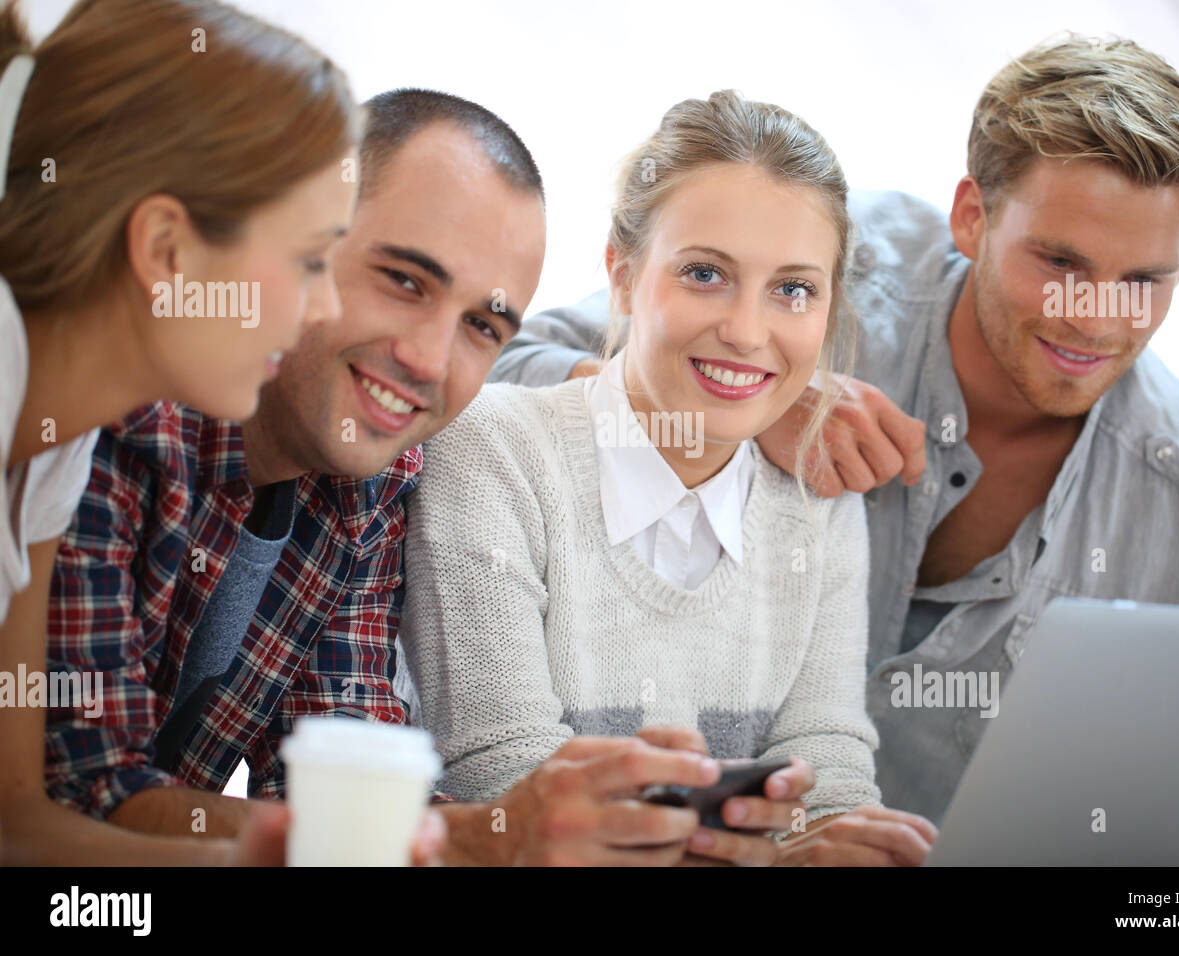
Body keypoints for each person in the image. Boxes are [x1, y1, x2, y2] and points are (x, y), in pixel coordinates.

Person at [486, 37, 1179, 834]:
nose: (1096, 316)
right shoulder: (809, 268)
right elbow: (503, 368)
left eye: (1144, 280)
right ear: (971, 217)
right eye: (1060, 261)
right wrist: (737, 404)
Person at [43, 87, 745, 868]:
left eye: (482, 326)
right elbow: (78, 793)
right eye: (406, 281)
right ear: (304, 245)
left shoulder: (373, 483)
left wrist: (620, 833)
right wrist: (484, 840)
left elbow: (344, 771)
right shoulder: (114, 414)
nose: (429, 362)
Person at [401, 90, 938, 867]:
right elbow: (506, 783)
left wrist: (844, 843)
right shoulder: (491, 449)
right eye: (705, 274)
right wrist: (777, 854)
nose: (749, 333)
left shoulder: (817, 503)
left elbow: (825, 769)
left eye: (793, 289)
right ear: (622, 276)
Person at [0, 0, 416, 865]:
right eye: (310, 261)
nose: (325, 307)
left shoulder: (51, 451)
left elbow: (15, 820)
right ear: (166, 251)